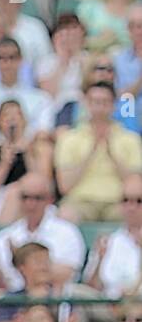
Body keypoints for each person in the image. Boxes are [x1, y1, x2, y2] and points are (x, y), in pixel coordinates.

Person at [55, 80, 142, 223]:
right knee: (65, 214)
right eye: (95, 102)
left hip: (119, 203)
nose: (100, 107)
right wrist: (91, 151)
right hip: (80, 202)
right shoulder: (69, 138)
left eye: (105, 102)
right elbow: (64, 186)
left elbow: (136, 185)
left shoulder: (130, 139)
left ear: (114, 105)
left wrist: (112, 153)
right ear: (86, 104)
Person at [0, 173, 86, 291]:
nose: (30, 204)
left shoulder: (67, 232)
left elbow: (67, 274)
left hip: (54, 298)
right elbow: (1, 280)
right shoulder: (5, 236)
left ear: (50, 199)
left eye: (37, 198)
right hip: (15, 302)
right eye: (25, 197)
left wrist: (21, 260)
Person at [84, 176, 142, 300]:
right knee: (74, 292)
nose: (131, 207)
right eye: (126, 200)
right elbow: (92, 287)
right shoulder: (109, 241)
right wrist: (99, 259)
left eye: (139, 201)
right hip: (109, 305)